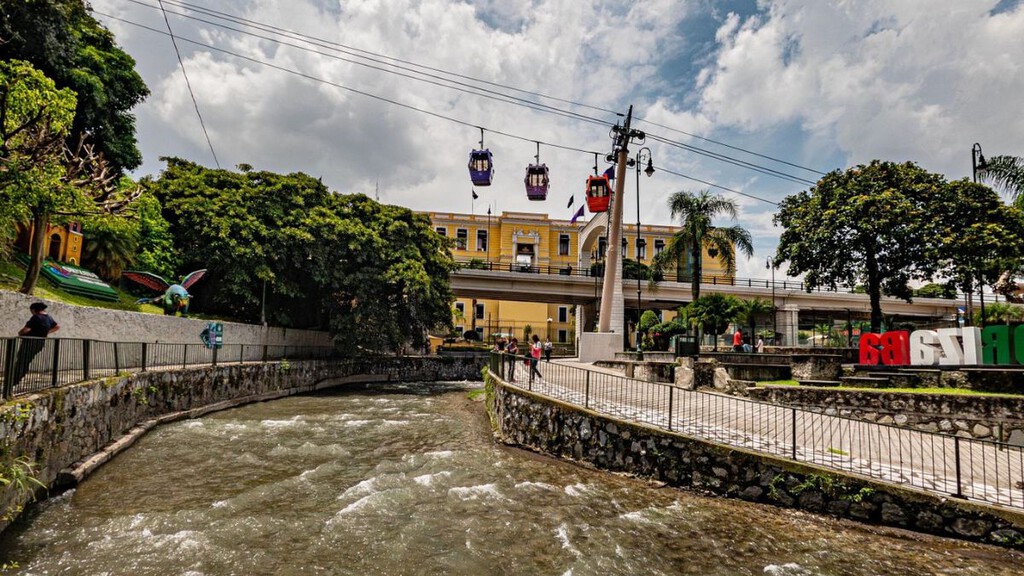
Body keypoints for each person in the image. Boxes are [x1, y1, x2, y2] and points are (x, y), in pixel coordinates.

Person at [10, 302, 60, 389]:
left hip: (29, 343)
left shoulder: (36, 317)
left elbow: (26, 330)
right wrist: (47, 332)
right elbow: (57, 326)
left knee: (21, 361)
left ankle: (14, 380)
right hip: (40, 343)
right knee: (26, 361)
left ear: (34, 310)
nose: (31, 312)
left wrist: (20, 333)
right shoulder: (49, 317)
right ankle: (16, 379)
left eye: (31, 310)